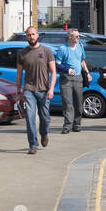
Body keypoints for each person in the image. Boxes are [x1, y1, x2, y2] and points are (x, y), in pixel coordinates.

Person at [15, 26, 56, 154]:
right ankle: (33, 144)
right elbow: (19, 74)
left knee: (45, 117)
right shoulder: (22, 54)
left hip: (44, 89)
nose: (31, 37)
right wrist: (18, 91)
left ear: (37, 35)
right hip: (29, 89)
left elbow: (53, 71)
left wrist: (51, 89)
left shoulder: (46, 51)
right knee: (29, 117)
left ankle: (44, 134)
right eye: (28, 35)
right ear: (26, 36)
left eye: (33, 34)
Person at [53, 27, 90, 134]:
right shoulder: (62, 49)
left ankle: (77, 124)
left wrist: (87, 73)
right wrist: (67, 70)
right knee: (67, 103)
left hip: (78, 78)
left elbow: (82, 60)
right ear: (70, 37)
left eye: (79, 36)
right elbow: (57, 65)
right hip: (66, 79)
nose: (79, 38)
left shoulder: (80, 46)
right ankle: (67, 125)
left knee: (79, 103)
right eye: (77, 36)